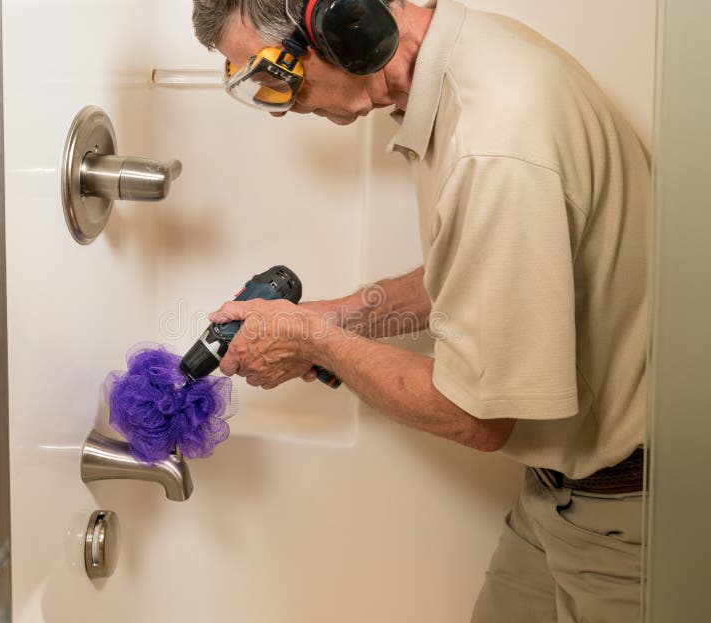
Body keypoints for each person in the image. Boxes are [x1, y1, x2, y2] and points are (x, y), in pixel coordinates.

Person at [192, 1, 650, 621]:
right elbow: (481, 275)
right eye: (259, 90)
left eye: (277, 77)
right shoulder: (469, 63)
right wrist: (339, 319)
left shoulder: (494, 143)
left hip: (630, 514)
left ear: (341, 23)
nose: (284, 108)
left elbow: (479, 418)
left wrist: (312, 344)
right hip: (560, 494)